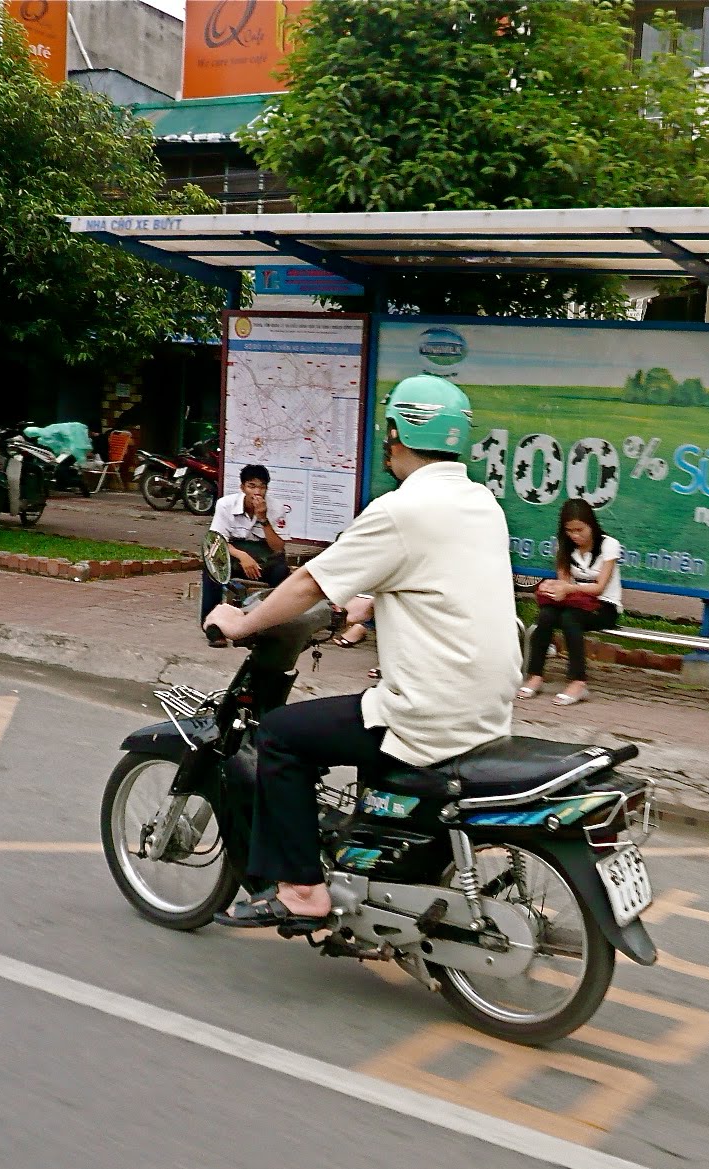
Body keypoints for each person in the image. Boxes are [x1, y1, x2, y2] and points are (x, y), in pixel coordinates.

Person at [201, 375, 520, 928]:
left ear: (394, 433)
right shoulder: (481, 502)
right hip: (488, 703)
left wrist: (241, 622)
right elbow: (438, 579)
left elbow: (307, 584)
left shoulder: (401, 509)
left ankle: (302, 889)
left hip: (428, 710)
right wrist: (365, 607)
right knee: (347, 720)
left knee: (280, 736)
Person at [516, 498, 621, 707]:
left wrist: (569, 588)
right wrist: (552, 588)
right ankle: (536, 675)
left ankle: (578, 682)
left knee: (569, 619)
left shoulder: (609, 545)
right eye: (570, 531)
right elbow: (564, 584)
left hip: (604, 607)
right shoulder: (564, 547)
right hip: (577, 604)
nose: (575, 535)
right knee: (546, 614)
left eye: (580, 530)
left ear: (591, 524)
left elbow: (599, 587)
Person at [201, 464, 290, 625]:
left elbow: (278, 547)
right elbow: (217, 540)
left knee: (281, 571)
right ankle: (211, 624)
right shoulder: (225, 504)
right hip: (234, 554)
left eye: (262, 487)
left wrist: (263, 519)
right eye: (252, 486)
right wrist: (242, 556)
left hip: (264, 557)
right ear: (242, 487)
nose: (257, 492)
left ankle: (275, 623)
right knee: (211, 566)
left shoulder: (276, 507)